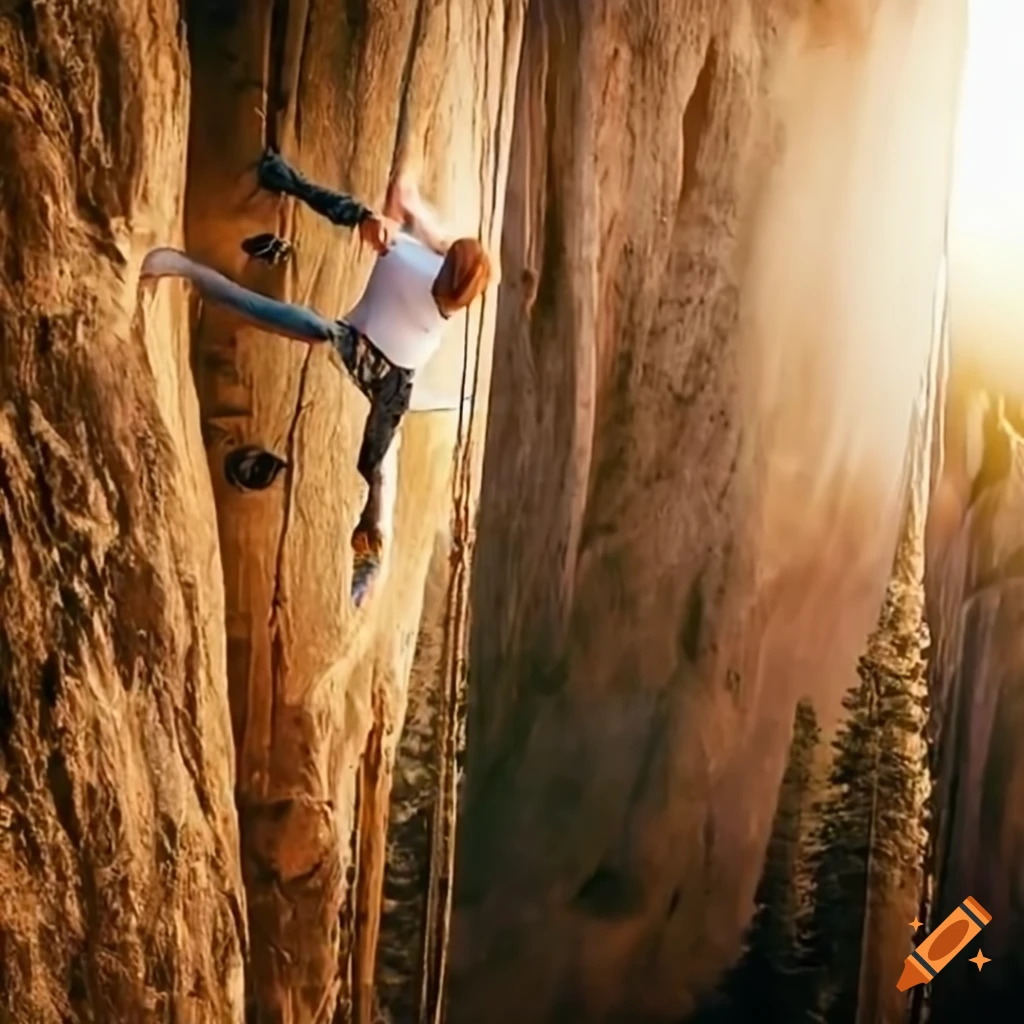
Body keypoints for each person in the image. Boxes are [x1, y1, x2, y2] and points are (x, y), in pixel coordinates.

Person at [141, 149, 492, 606]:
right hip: (356, 341)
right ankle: (193, 265)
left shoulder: (436, 276)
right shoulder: (422, 252)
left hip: (392, 382)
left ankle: (370, 554)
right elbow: (403, 201)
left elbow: (424, 228)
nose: (445, 294)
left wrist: (392, 214)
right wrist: (380, 212)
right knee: (304, 322)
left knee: (374, 469)